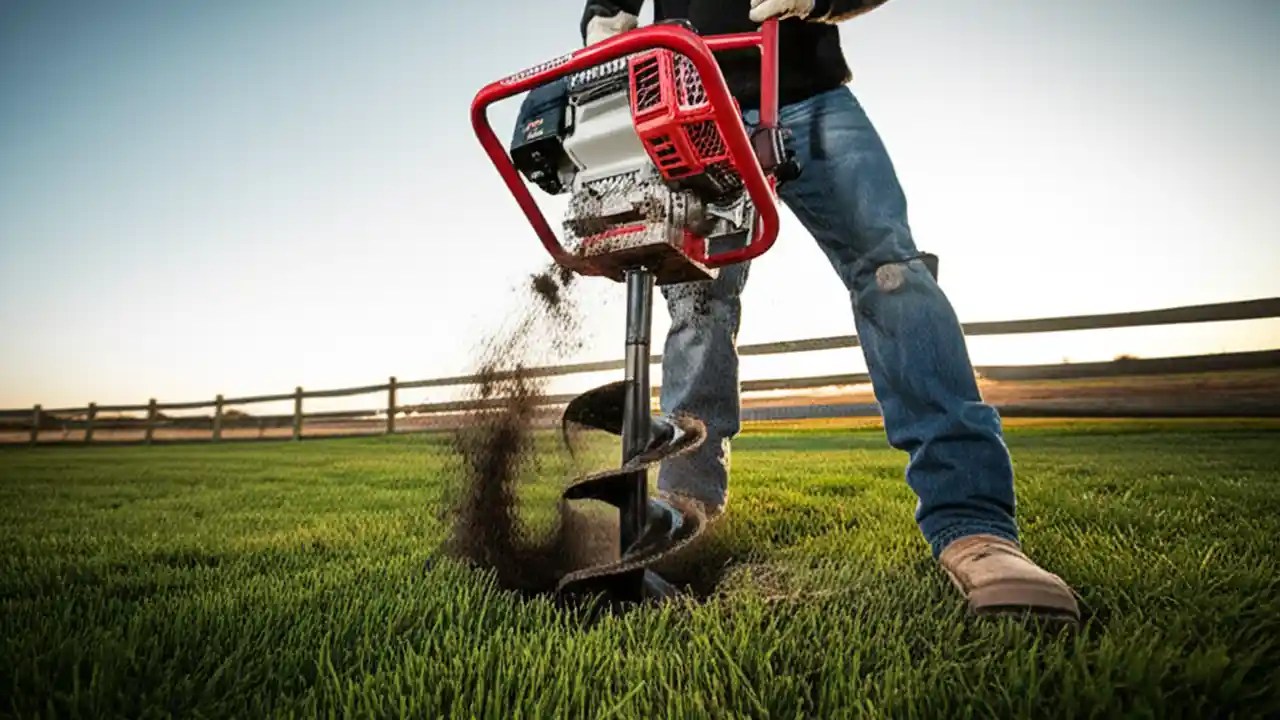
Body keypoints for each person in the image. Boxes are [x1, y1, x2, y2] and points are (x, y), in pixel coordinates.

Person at [579, 0, 1080, 623]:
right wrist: (603, 27)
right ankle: (686, 522)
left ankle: (976, 530)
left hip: (808, 96)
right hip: (691, 108)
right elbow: (607, 9)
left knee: (890, 273)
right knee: (698, 305)